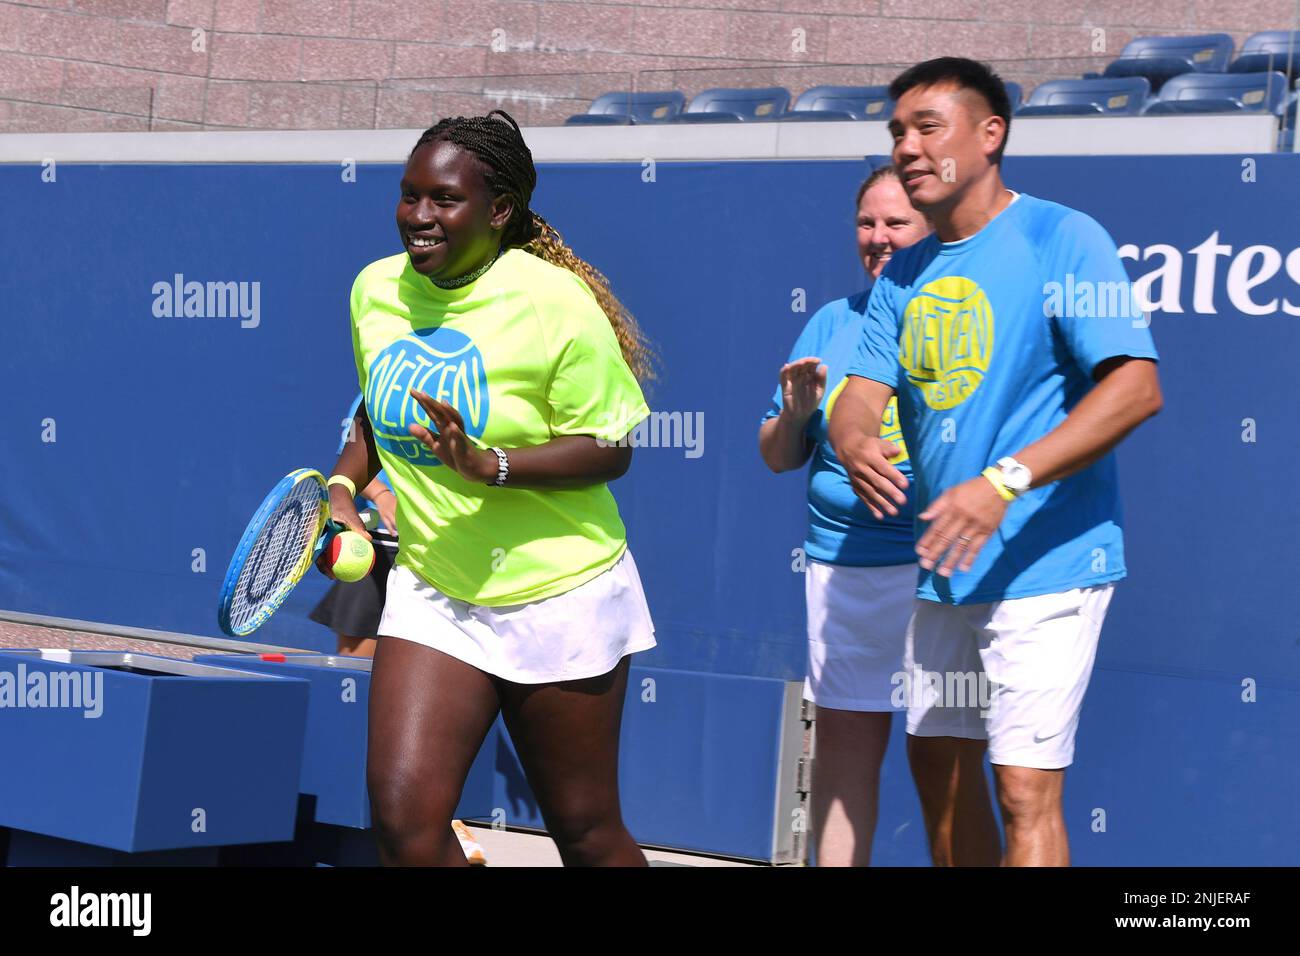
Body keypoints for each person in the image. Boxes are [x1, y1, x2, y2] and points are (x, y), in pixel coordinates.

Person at [828, 57, 1162, 867]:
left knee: (1023, 789)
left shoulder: (1064, 236)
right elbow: (858, 396)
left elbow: (1137, 389)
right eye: (897, 132)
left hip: (1047, 566)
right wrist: (851, 437)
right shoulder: (904, 270)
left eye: (926, 127)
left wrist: (1003, 481)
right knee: (938, 772)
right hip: (946, 567)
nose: (907, 146)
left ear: (990, 135)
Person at [325, 110, 657, 867]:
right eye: (410, 196)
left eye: (444, 199)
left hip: (561, 591)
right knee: (406, 828)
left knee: (585, 830)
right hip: (437, 585)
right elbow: (376, 413)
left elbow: (611, 449)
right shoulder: (375, 291)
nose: (419, 217)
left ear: (499, 211)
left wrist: (492, 465)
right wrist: (344, 489)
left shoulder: (554, 301)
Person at [760, 166, 997, 866]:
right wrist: (800, 413)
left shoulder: (965, 316)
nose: (879, 237)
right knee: (843, 750)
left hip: (940, 572)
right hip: (841, 573)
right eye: (868, 223)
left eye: (896, 223)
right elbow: (777, 456)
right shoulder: (832, 320)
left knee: (947, 759)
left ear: (931, 227)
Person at [310, 392, 398, 659]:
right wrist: (383, 496)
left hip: (432, 556)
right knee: (355, 665)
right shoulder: (376, 393)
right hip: (375, 547)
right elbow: (350, 468)